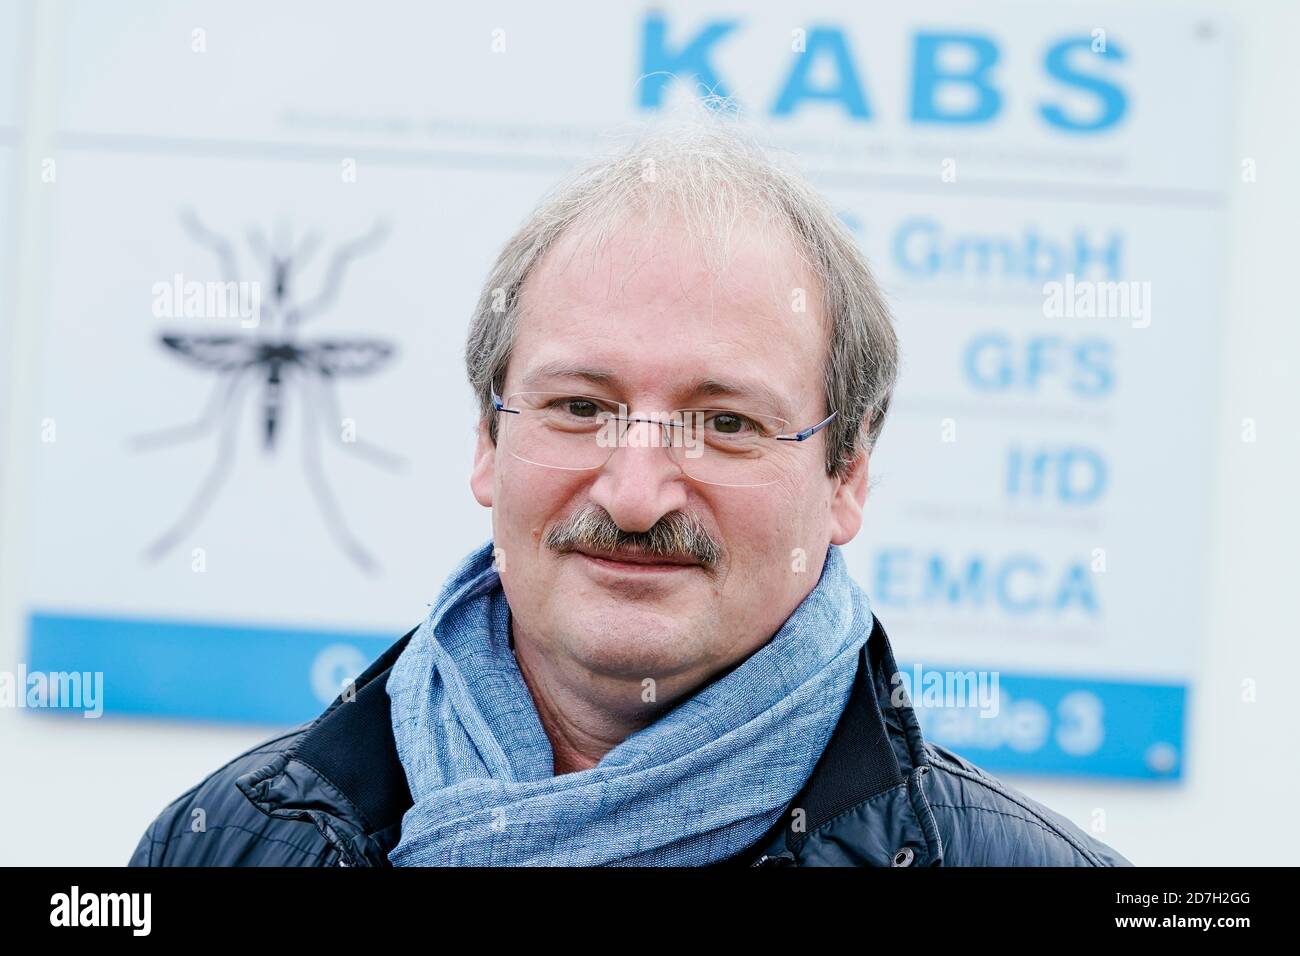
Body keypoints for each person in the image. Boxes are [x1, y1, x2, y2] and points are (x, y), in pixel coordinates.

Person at [130, 119, 1132, 867]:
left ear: (847, 476)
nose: (639, 490)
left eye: (725, 422)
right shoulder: (229, 840)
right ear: (487, 440)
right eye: (578, 405)